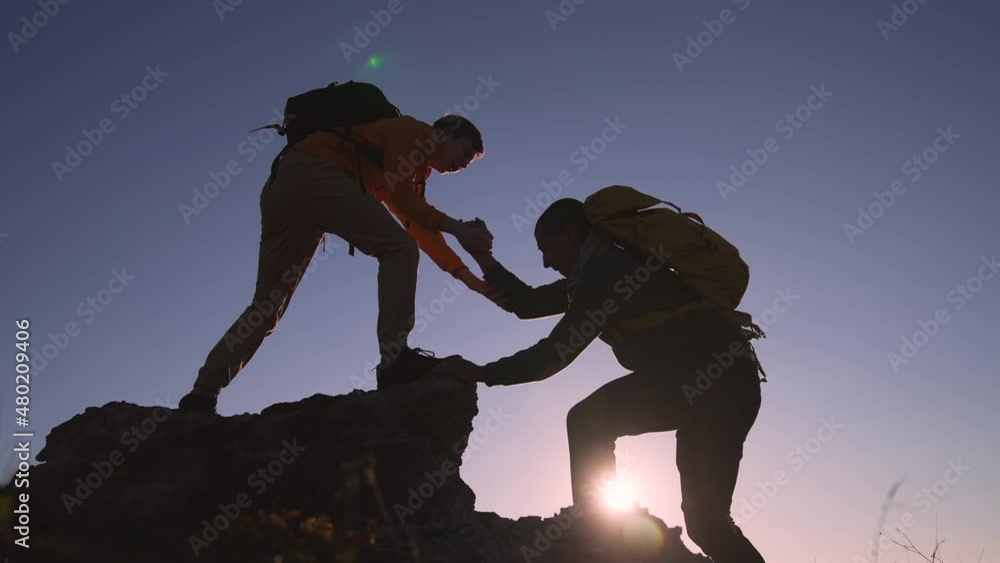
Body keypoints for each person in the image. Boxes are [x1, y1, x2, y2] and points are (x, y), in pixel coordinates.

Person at [436, 196, 766, 563]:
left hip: (716, 383)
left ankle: (594, 536)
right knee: (707, 525)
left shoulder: (607, 272)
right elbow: (528, 304)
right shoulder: (597, 271)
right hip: (715, 383)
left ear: (570, 235)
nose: (545, 262)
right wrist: (484, 259)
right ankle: (597, 534)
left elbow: (553, 355)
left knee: (588, 421)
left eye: (546, 249)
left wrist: (482, 373)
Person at [178, 114, 495, 414]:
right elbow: (405, 204)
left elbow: (417, 224)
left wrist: (474, 282)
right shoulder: (412, 132)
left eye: (467, 163)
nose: (462, 165)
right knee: (399, 249)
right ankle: (395, 360)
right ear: (447, 131)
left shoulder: (410, 166)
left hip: (285, 186)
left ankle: (203, 393)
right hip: (318, 175)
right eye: (464, 153)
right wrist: (459, 228)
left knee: (267, 307)